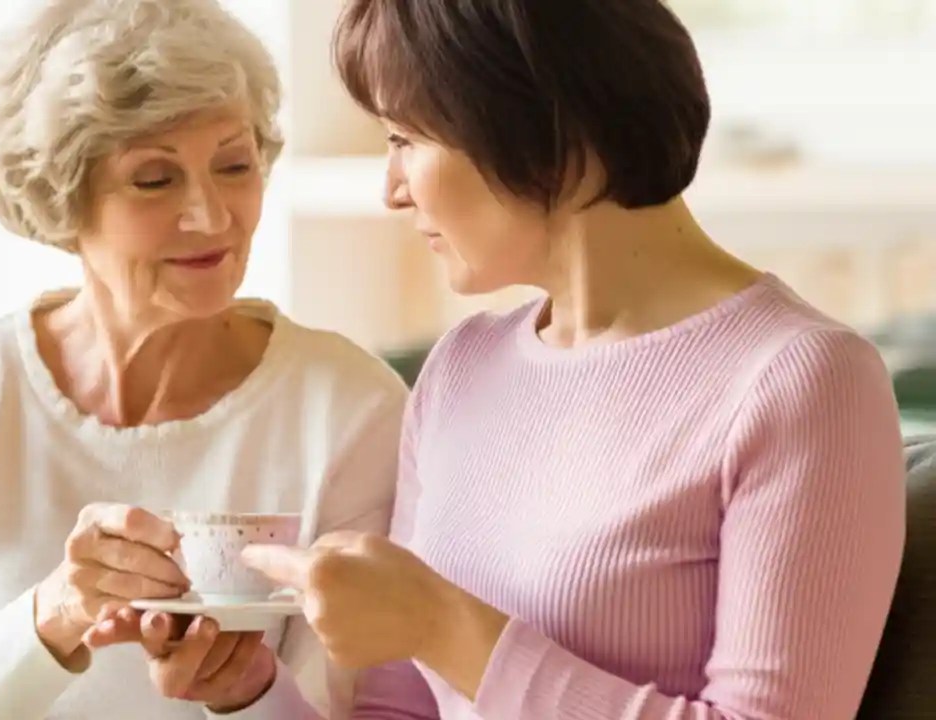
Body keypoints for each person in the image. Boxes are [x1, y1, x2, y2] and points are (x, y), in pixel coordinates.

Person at [236, 1, 906, 718]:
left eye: (405, 139)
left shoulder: (804, 381)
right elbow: (399, 712)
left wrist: (446, 628)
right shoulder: (462, 368)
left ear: (535, 126)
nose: (392, 189)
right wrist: (250, 692)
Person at [0, 0, 408, 718]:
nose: (213, 216)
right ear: (63, 196)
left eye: (234, 165)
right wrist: (55, 616)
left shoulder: (350, 407)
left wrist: (247, 693)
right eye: (154, 180)